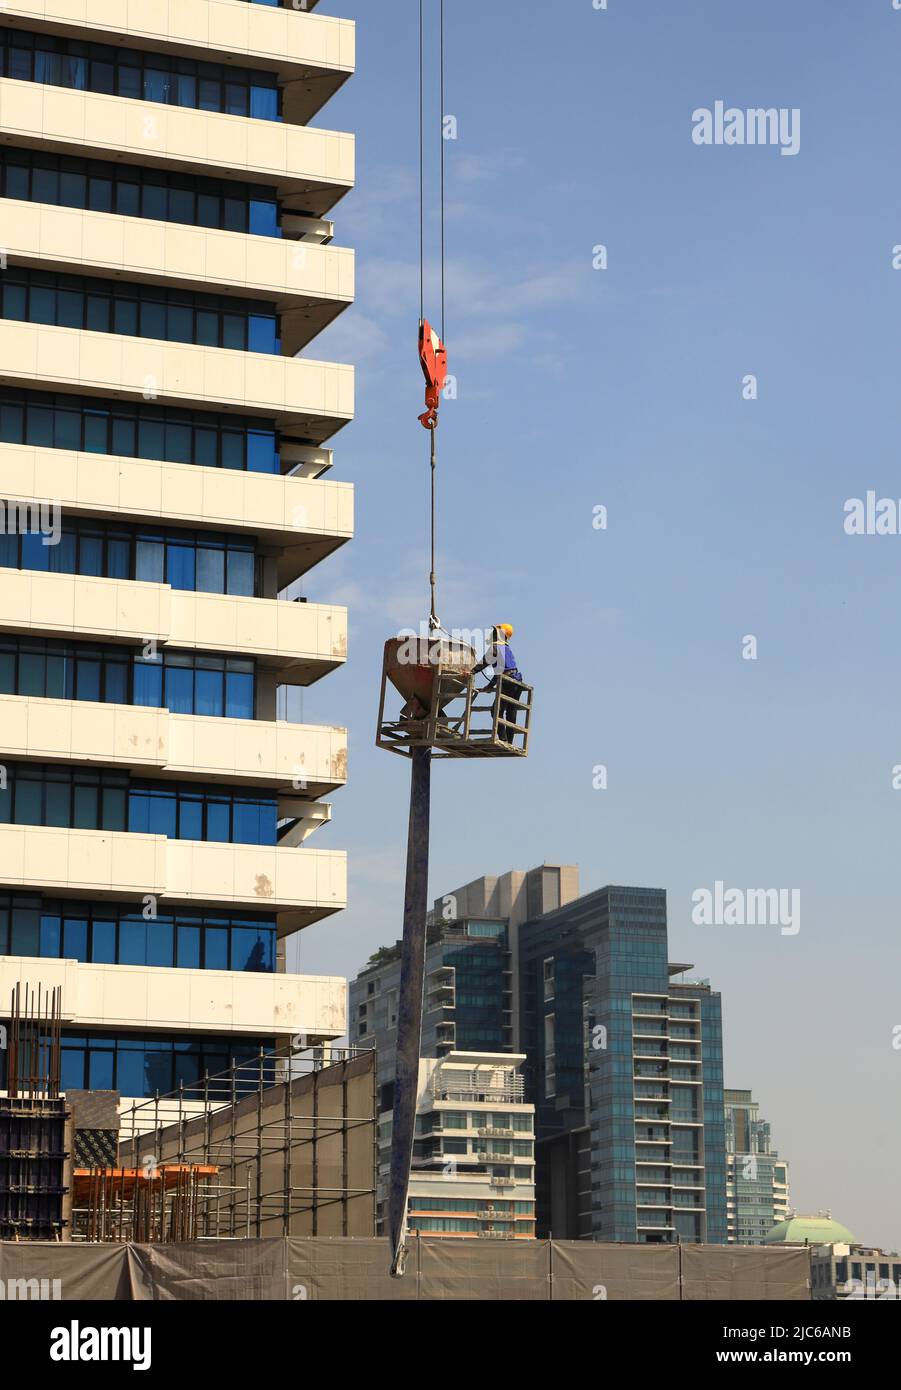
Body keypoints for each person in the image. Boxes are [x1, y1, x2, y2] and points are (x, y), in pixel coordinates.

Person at [479, 624, 524, 743]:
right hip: (516, 681)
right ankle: (509, 741)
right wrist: (489, 686)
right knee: (511, 710)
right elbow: (501, 671)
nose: (492, 634)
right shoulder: (506, 648)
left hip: (508, 682)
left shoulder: (496, 647)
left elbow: (484, 662)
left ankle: (503, 739)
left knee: (496, 710)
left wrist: (470, 671)